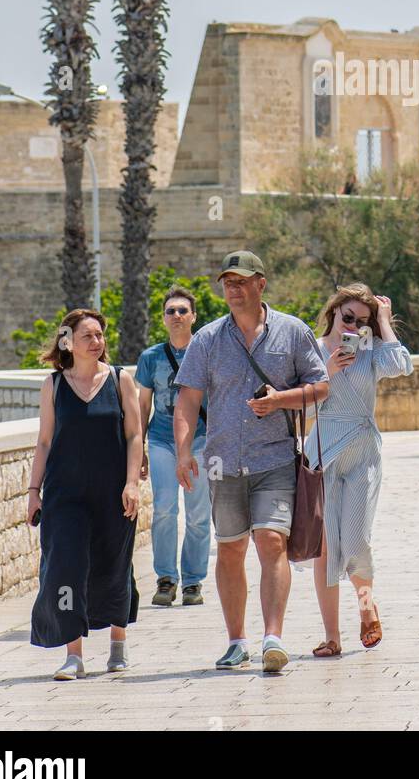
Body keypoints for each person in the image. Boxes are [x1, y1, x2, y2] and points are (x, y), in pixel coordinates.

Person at [174, 250, 329, 673]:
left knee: (272, 542)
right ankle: (236, 640)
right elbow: (187, 399)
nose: (233, 289)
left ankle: (273, 637)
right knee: (229, 549)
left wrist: (280, 400)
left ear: (261, 283)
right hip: (223, 462)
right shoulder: (207, 339)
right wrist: (185, 451)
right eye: (228, 282)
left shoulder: (293, 332)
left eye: (241, 281)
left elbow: (320, 386)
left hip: (275, 457)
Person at [28, 309, 141, 679]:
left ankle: (118, 644)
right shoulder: (54, 385)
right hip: (65, 494)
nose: (97, 342)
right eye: (88, 336)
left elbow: (133, 435)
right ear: (68, 342)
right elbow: (44, 442)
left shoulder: (121, 380)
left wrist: (131, 483)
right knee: (66, 566)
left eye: (100, 335)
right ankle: (73, 653)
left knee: (114, 565)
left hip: (112, 491)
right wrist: (33, 491)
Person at [305, 283, 412, 657]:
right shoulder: (313, 349)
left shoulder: (370, 351)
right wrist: (328, 371)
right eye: (347, 317)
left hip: (364, 450)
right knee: (326, 549)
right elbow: (299, 404)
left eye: (361, 322)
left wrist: (383, 323)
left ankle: (365, 601)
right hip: (323, 452)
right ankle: (331, 636)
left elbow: (400, 366)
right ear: (334, 311)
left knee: (355, 539)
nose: (352, 327)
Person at [136, 286, 211, 607]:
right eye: (171, 311)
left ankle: (193, 581)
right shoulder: (150, 358)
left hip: (202, 441)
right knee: (165, 509)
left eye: (183, 310)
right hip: (162, 440)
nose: (177, 316)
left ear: (193, 316)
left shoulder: (207, 352)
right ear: (163, 318)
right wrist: (137, 449)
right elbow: (141, 406)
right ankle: (166, 578)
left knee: (198, 514)